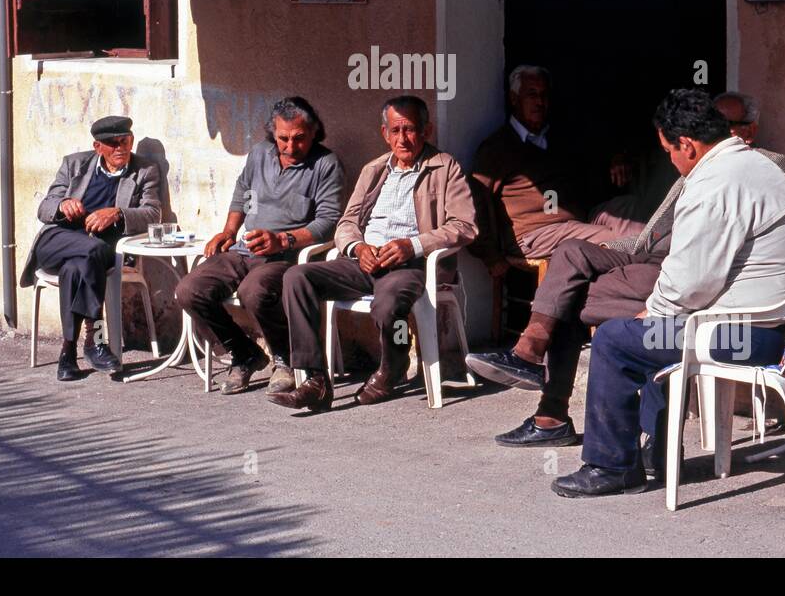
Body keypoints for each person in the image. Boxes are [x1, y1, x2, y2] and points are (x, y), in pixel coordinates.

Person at [466, 90, 785, 447]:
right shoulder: (704, 165)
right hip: (652, 252)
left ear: (751, 130)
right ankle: (528, 352)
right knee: (572, 252)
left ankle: (550, 408)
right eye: (717, 125)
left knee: (568, 300)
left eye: (730, 126)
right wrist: (609, 244)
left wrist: (655, 312)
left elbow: (698, 271)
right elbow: (657, 234)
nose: (722, 134)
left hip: (682, 272)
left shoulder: (758, 165)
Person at [550, 88, 785, 497]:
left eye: (668, 151)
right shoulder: (758, 167)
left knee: (614, 340)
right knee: (654, 333)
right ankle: (659, 455)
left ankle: (610, 466)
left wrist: (652, 313)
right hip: (780, 330)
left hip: (747, 337)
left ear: (687, 145)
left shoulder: (715, 183)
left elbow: (691, 281)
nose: (671, 161)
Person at [270, 95, 478, 413]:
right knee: (297, 277)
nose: (402, 138)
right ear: (385, 133)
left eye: (410, 130)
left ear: (427, 130)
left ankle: (391, 366)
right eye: (395, 131)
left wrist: (413, 245)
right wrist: (357, 247)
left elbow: (465, 225)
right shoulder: (374, 169)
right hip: (362, 261)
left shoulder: (445, 167)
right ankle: (314, 380)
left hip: (410, 265)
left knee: (389, 302)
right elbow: (347, 222)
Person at [175, 97, 344, 395]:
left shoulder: (325, 164)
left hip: (286, 255)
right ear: (272, 134)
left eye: (299, 139)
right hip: (244, 249)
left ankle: (285, 358)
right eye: (283, 139)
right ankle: (244, 354)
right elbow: (242, 192)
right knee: (190, 291)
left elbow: (328, 222)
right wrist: (229, 230)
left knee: (255, 291)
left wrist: (283, 240)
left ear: (314, 131)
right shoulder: (260, 154)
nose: (291, 147)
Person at [20, 115, 162, 382]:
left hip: (98, 251)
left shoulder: (144, 170)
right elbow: (45, 207)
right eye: (112, 143)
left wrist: (118, 214)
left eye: (125, 141)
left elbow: (153, 213)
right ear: (98, 147)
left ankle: (68, 352)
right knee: (92, 252)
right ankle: (94, 340)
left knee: (79, 267)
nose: (121, 148)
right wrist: (63, 205)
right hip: (58, 242)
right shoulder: (74, 164)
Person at [470, 65, 641, 276]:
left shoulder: (558, 136)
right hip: (534, 234)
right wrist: (490, 257)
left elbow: (595, 155)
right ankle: (628, 297)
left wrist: (616, 157)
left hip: (578, 220)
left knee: (636, 215)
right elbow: (473, 202)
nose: (540, 102)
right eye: (532, 94)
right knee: (616, 240)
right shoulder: (497, 148)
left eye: (544, 95)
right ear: (514, 99)